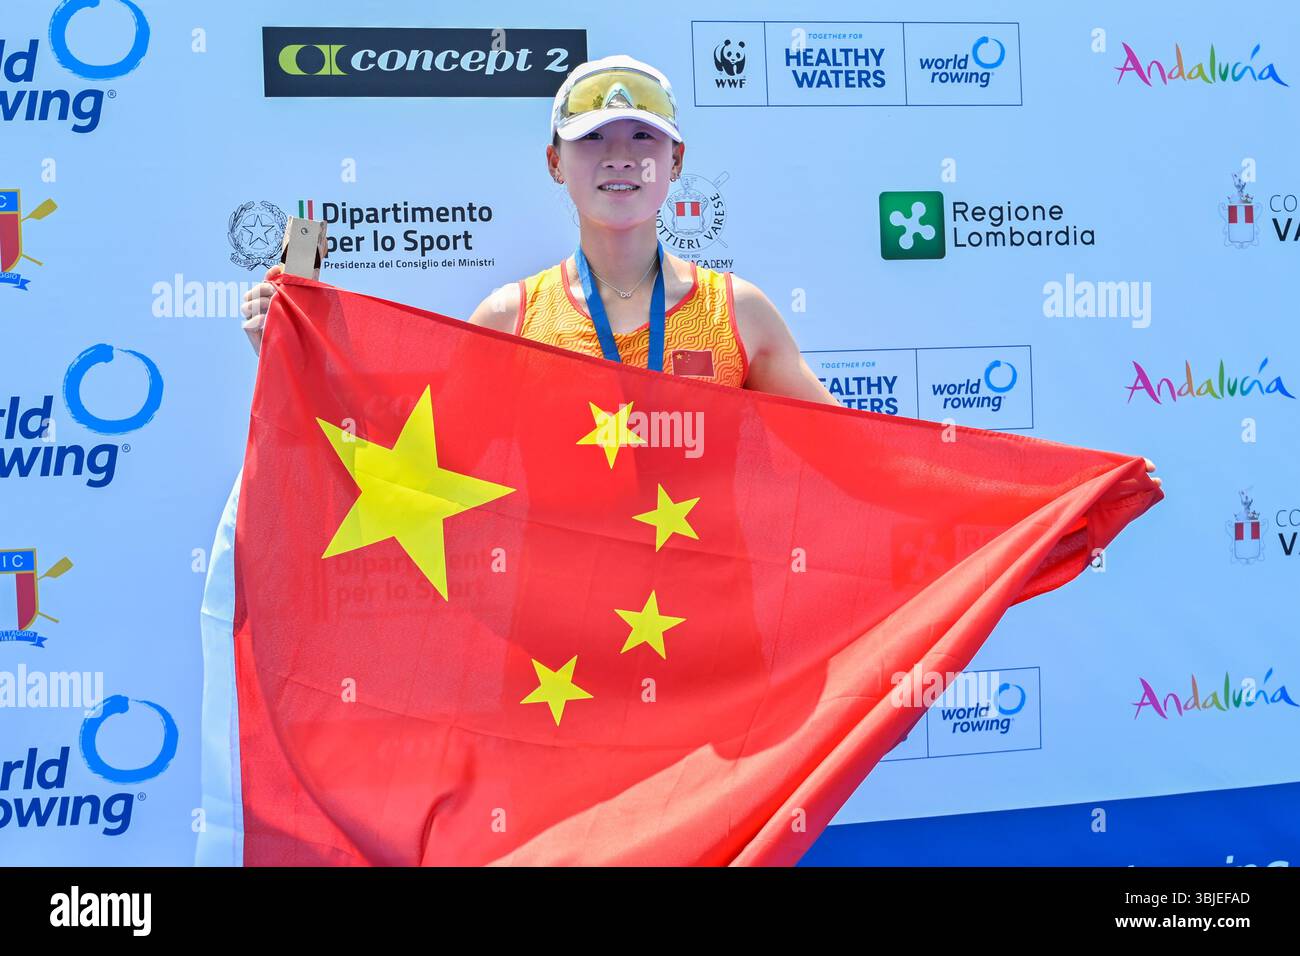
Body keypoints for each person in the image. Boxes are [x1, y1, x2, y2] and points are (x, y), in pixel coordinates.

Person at [238, 55, 1158, 485]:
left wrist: (1035, 494)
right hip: (561, 649)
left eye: (647, 138)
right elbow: (412, 456)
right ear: (555, 165)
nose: (622, 157)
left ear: (677, 165)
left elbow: (859, 462)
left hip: (716, 635)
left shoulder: (738, 313)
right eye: (594, 139)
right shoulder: (512, 315)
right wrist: (291, 354)